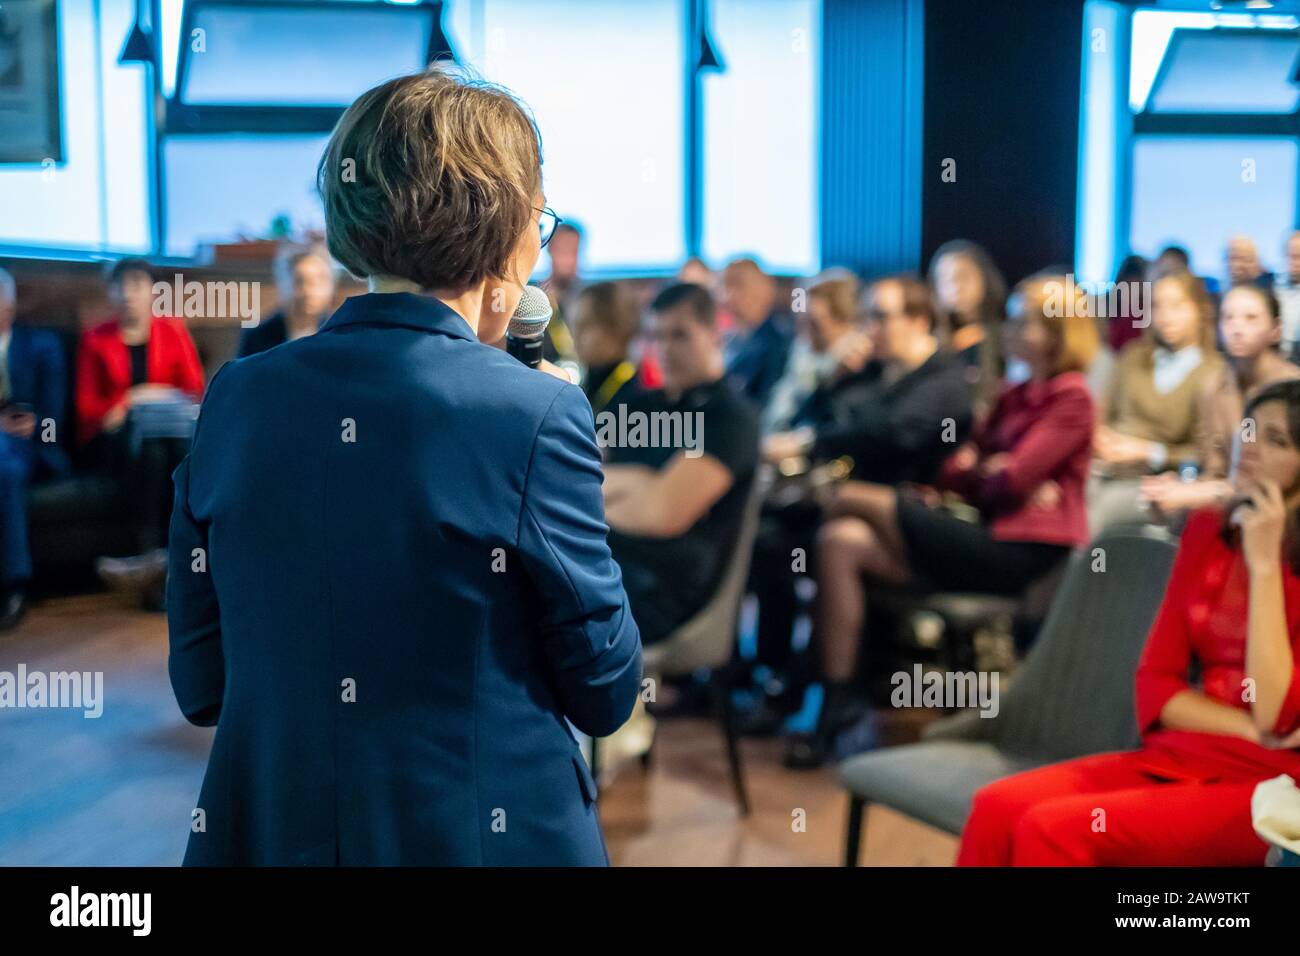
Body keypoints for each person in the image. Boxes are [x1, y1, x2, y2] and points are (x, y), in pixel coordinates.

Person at [167, 66, 641, 866]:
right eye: (542, 215)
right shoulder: (536, 415)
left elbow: (203, 685)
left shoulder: (237, 397)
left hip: (271, 831)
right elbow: (605, 692)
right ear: (506, 225)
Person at [958, 379, 1300, 866]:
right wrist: (1250, 729)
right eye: (1251, 430)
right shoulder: (1208, 528)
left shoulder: (1277, 560)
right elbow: (1156, 685)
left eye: (1279, 441)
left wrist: (1265, 564)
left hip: (1277, 788)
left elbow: (1276, 712)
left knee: (1053, 831)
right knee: (995, 808)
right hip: (1186, 752)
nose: (1252, 448)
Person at [788, 274, 1097, 768]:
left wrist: (993, 470)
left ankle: (806, 680)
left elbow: (1007, 479)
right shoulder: (1016, 393)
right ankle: (836, 700)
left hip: (1019, 553)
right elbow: (959, 468)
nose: (1011, 330)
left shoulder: (1072, 398)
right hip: (978, 529)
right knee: (839, 540)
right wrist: (988, 470)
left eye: (1026, 322)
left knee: (845, 498)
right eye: (1012, 319)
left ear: (1059, 333)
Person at [748, 276, 972, 733]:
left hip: (917, 528)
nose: (870, 327)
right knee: (769, 541)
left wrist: (816, 440)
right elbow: (824, 416)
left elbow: (892, 434)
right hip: (852, 513)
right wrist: (837, 377)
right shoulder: (876, 371)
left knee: (825, 540)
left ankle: (812, 694)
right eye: (867, 315)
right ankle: (781, 679)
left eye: (881, 316)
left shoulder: (945, 379)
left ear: (919, 320)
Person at [602, 282, 759, 647]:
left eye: (679, 336)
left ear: (716, 334)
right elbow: (573, 476)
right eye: (655, 336)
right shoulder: (638, 405)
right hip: (614, 563)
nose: (665, 349)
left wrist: (602, 492)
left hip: (666, 586)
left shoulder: (730, 417)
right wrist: (639, 481)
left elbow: (660, 513)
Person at [77, 258, 205, 603]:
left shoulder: (172, 331)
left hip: (169, 434)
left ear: (151, 292)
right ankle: (159, 565)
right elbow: (86, 409)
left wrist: (147, 394)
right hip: (115, 438)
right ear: (112, 293)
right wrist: (127, 400)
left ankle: (160, 564)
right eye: (122, 286)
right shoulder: (95, 340)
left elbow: (194, 390)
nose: (129, 294)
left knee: (173, 449)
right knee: (153, 451)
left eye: (137, 285)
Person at [1142, 284, 1300, 523]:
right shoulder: (1213, 387)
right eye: (1228, 318)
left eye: (1251, 318)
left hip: (1282, 511)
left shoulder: (1291, 390)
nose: (1237, 328)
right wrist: (1178, 488)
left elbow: (1275, 481)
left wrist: (1204, 492)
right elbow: (1215, 468)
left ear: (1275, 329)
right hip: (1226, 506)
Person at [1089, 271, 1222, 531]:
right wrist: (1100, 439)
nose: (1165, 316)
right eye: (1157, 306)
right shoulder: (1132, 356)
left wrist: (1149, 452)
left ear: (1200, 311)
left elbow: (1205, 454)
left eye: (1177, 306)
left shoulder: (1213, 373)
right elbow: (1101, 416)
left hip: (1157, 483)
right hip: (1103, 469)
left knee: (1094, 514)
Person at [0, 267, 69, 629]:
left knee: (6, 466)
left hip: (32, 446)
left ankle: (14, 586)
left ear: (10, 306)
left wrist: (38, 425)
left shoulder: (42, 345)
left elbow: (56, 420)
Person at [761, 271, 860, 435]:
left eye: (815, 324)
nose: (805, 336)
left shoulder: (857, 368)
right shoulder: (796, 356)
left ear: (847, 322)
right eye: (801, 323)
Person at [927, 239, 1007, 410]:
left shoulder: (1006, 338)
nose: (955, 287)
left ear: (984, 279)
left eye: (964, 277)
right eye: (945, 279)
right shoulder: (928, 342)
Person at [237, 244, 337, 357]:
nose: (309, 291)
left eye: (319, 281)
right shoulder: (257, 336)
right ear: (282, 283)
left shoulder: (339, 335)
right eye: (299, 281)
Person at [720, 257, 794, 408]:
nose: (729, 296)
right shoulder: (725, 341)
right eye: (726, 286)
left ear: (767, 288)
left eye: (739, 286)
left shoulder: (778, 345)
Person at [571, 281, 644, 415]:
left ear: (616, 327)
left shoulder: (637, 398)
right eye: (574, 325)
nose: (575, 334)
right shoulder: (587, 385)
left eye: (585, 325)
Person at [1273, 230, 1300, 360]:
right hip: (1276, 356)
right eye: (1290, 256)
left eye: (1298, 256)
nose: (1294, 262)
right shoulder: (1271, 286)